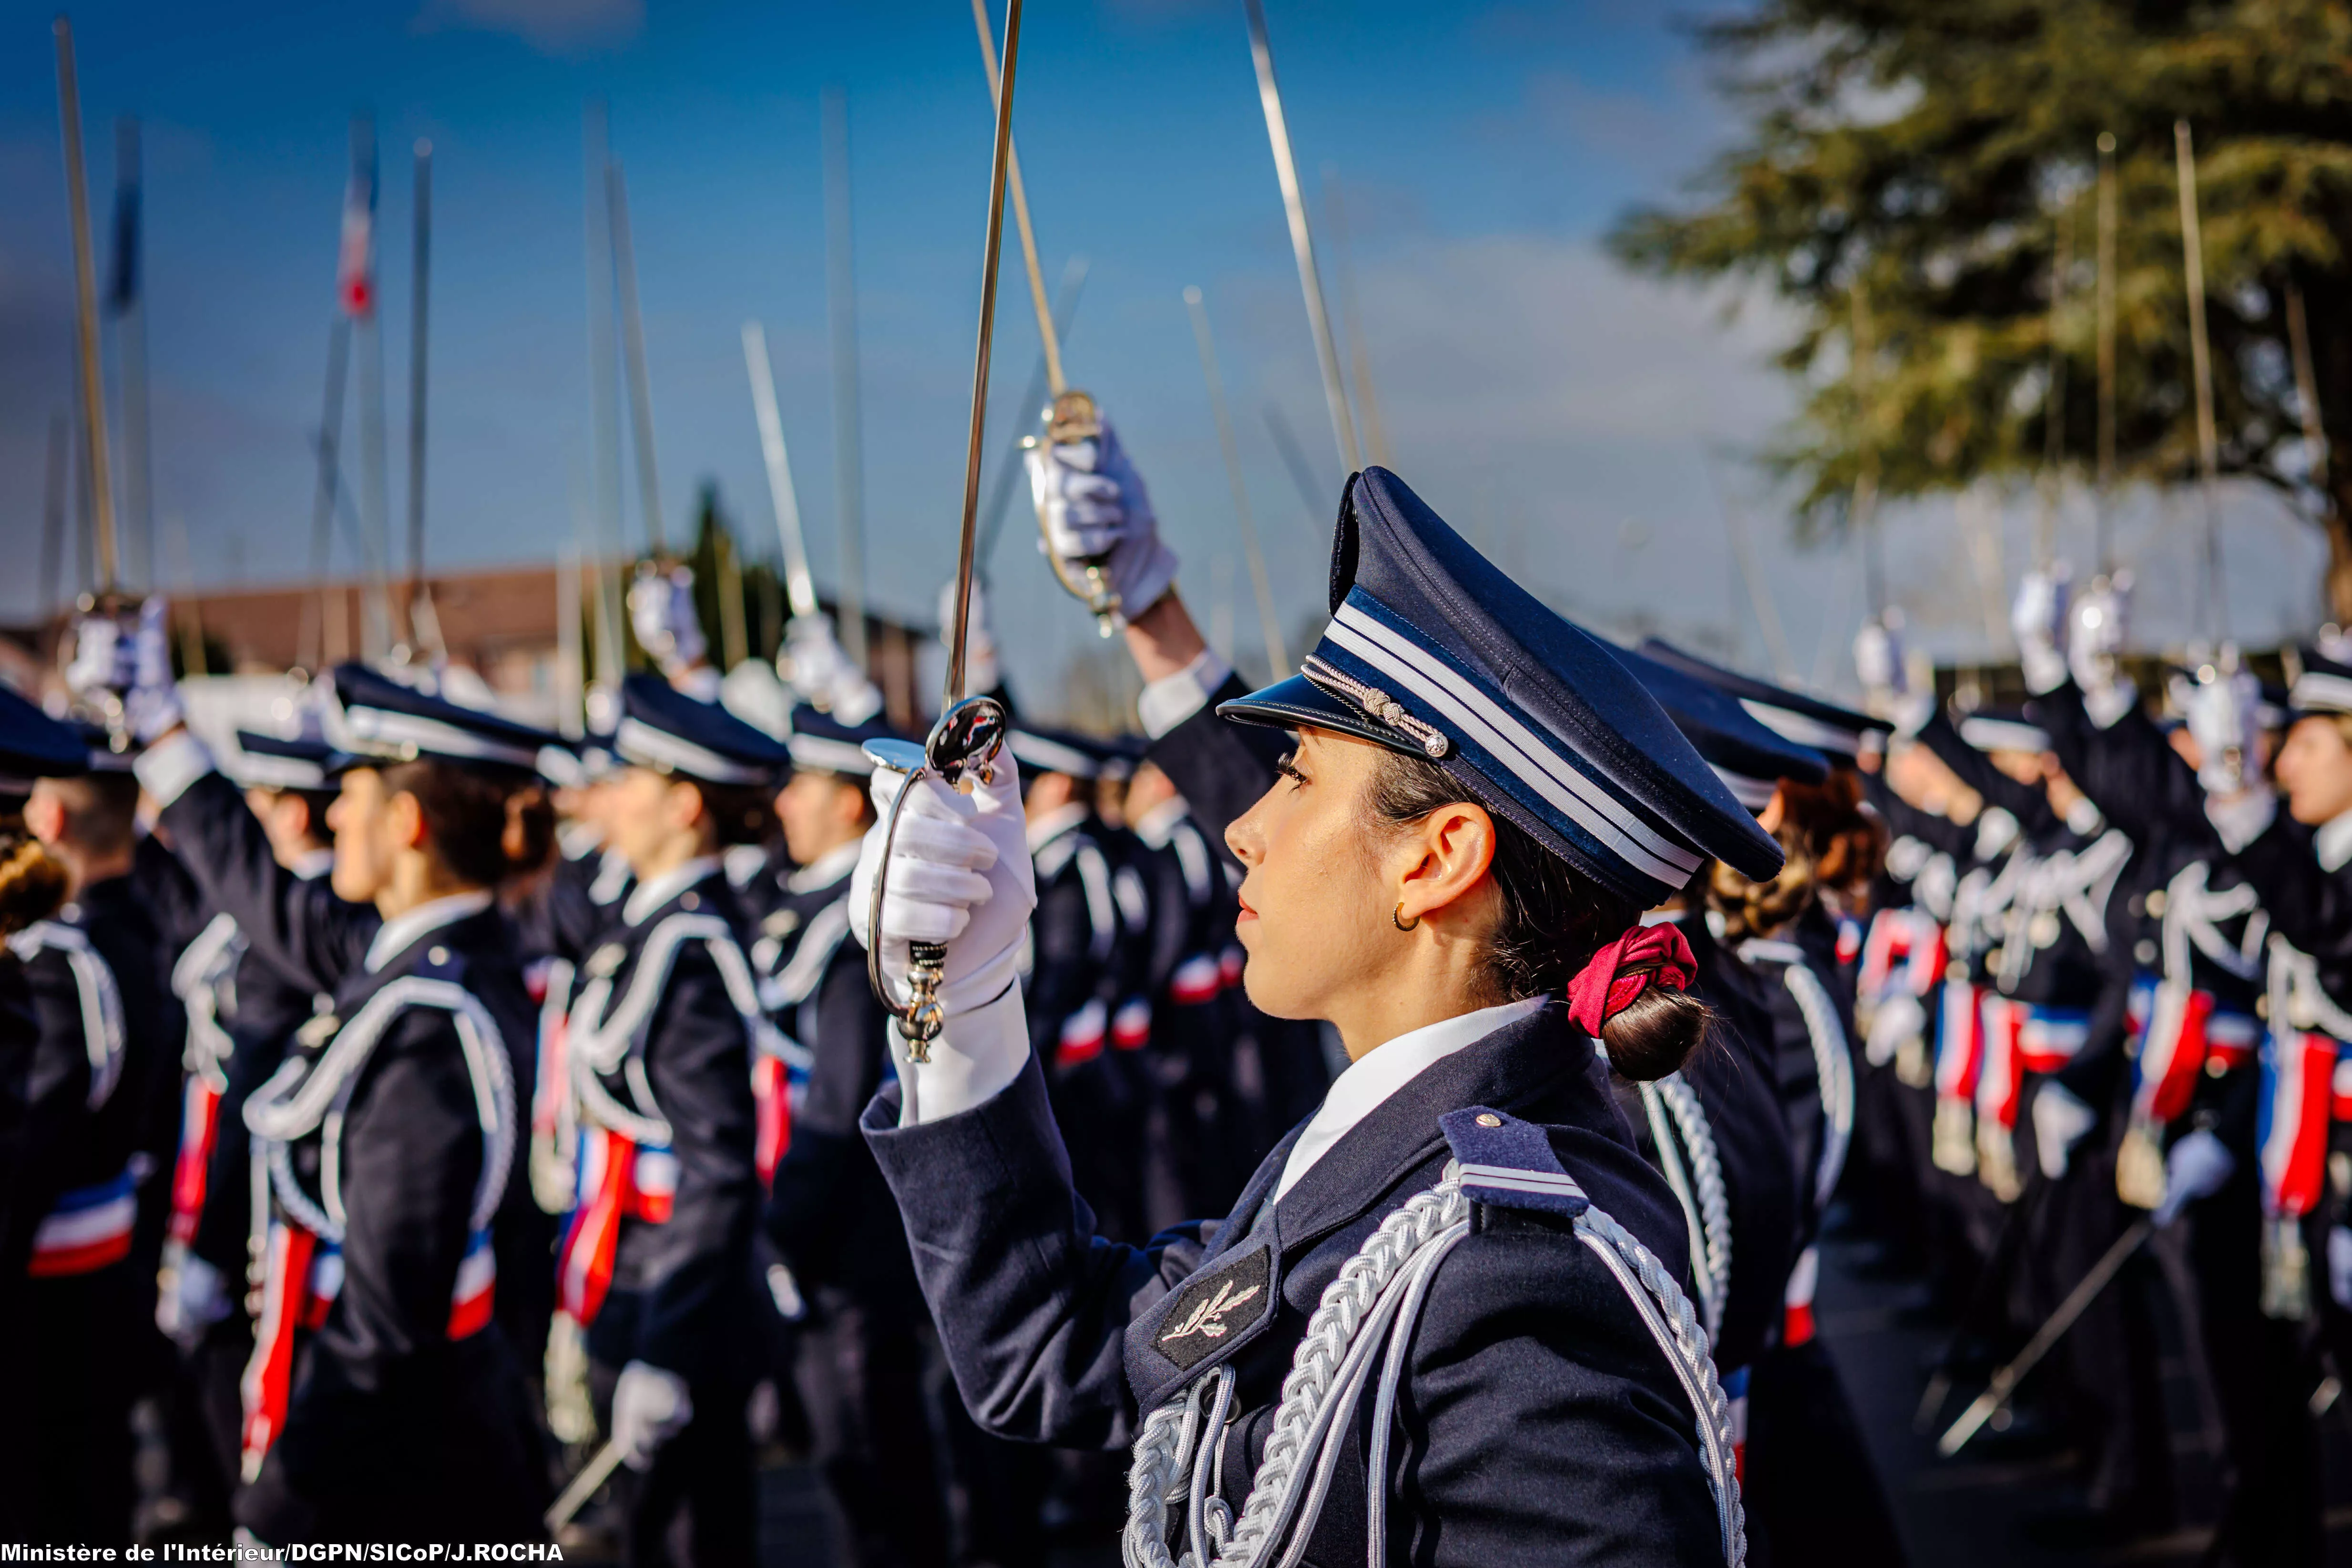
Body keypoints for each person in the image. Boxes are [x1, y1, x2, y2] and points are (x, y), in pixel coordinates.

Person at [857, 454, 1775, 1564]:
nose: (1244, 826)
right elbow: (1051, 1347)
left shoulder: (1513, 1274)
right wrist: (963, 1000)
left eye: (1294, 772)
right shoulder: (1399, 1169)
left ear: (1436, 860)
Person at [84, 635, 556, 1545]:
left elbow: (384, 1322)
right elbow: (264, 895)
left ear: (407, 825)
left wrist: (283, 1511)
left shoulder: (433, 1022)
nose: (332, 816)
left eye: (350, 794)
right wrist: (164, 731)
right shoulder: (418, 956)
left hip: (410, 1478)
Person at [556, 673, 781, 1568]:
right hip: (634, 1277)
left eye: (631, 778)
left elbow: (716, 1165)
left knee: (689, 1539)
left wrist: (667, 1347)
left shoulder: (689, 954)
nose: (608, 794)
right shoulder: (648, 926)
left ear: (684, 805)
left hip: (679, 1304)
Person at [757, 702, 951, 1568]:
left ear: (848, 805)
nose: (782, 805)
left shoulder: (853, 927)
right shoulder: (812, 908)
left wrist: (783, 1232)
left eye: (802, 786)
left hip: (845, 1236)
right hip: (839, 1233)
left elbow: (835, 1101)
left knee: (867, 1460)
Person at [155, 728, 343, 1527]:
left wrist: (207, 1247)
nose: (253, 816)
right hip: (208, 1171)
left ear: (295, 814)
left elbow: (256, 1090)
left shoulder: (312, 921)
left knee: (251, 1410)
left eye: (262, 802)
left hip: (263, 1207)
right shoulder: (267, 909)